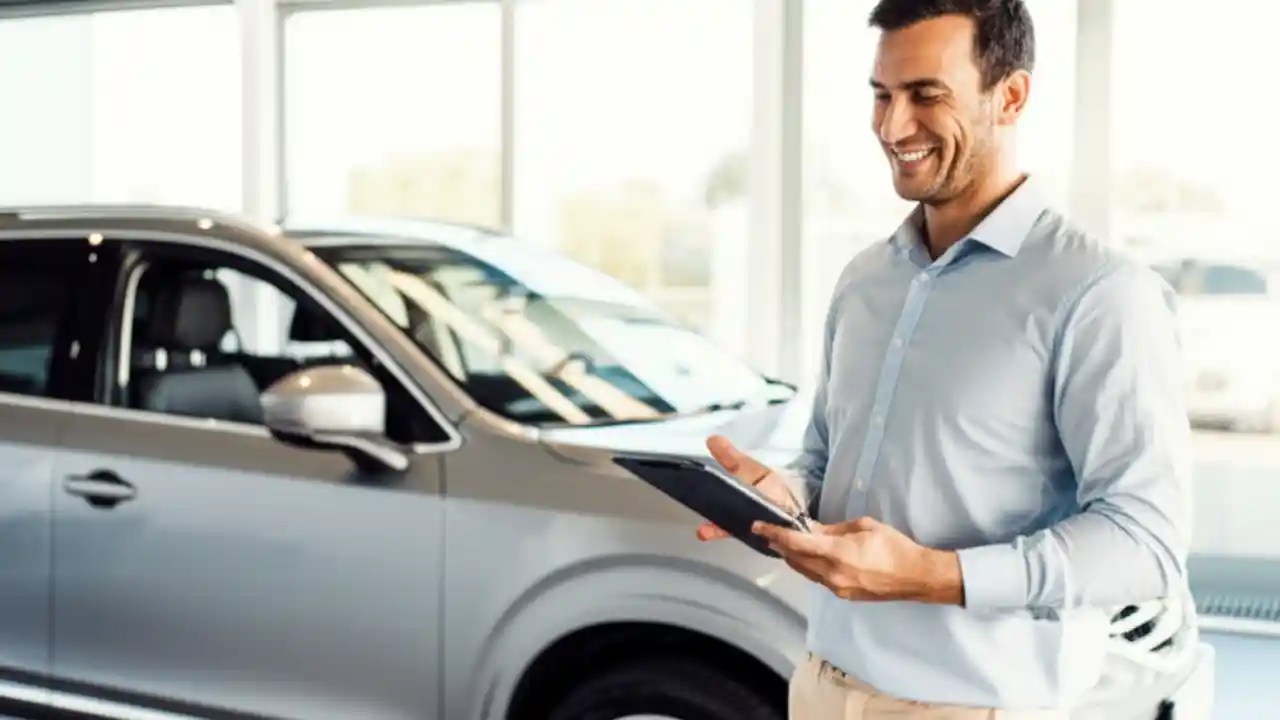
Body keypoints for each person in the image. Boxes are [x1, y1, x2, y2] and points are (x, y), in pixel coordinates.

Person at [697, 1, 1212, 718]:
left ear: (1011, 95)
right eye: (881, 95)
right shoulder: (865, 281)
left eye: (925, 95)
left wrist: (934, 576)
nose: (891, 126)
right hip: (820, 687)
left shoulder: (1099, 294)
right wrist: (784, 495)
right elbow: (825, 456)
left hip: (976, 707)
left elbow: (1144, 542)